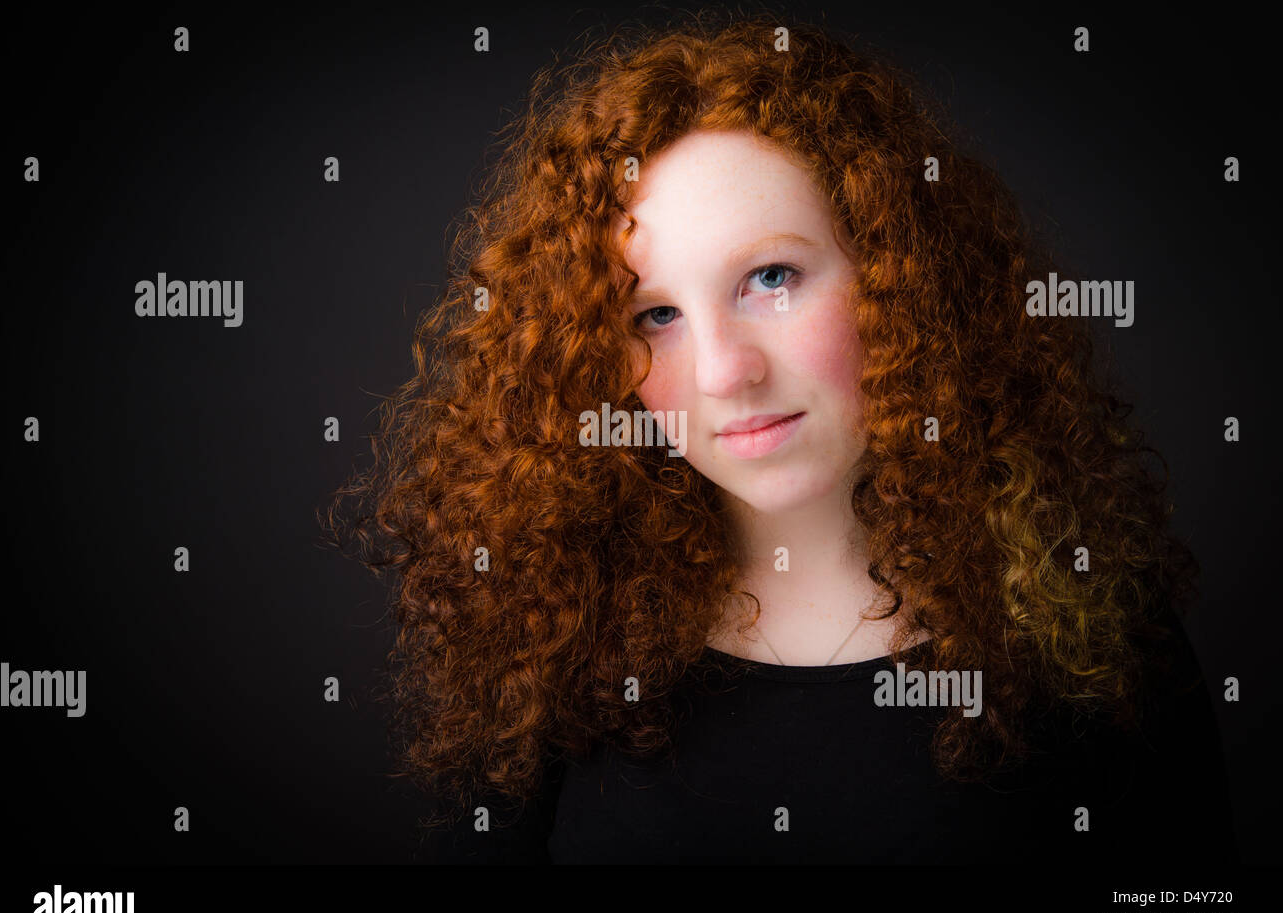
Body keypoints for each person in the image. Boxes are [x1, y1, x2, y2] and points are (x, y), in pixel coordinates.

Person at [321, 13, 1237, 864]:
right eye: (658, 313)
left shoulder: (1086, 631)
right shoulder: (547, 637)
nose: (725, 371)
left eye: (771, 275)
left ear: (898, 275)